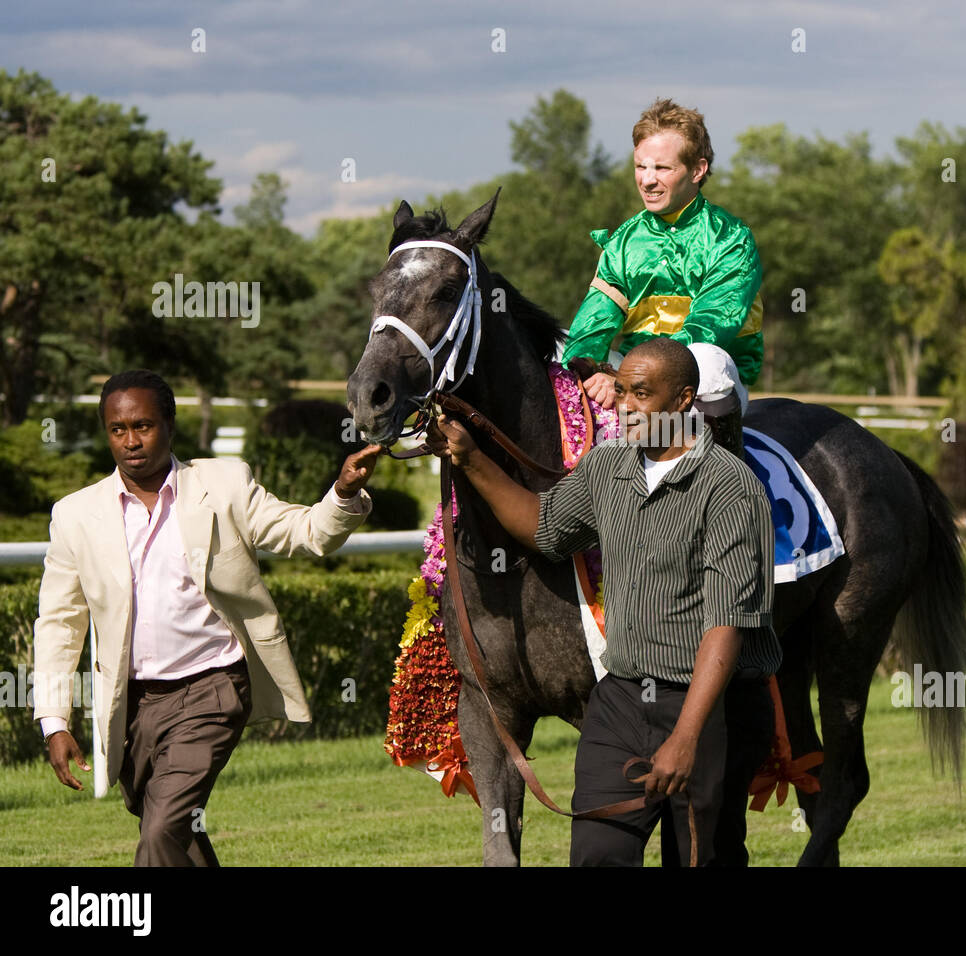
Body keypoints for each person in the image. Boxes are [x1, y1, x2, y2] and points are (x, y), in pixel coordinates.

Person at [432, 337, 780, 866]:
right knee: (597, 856)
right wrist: (473, 459)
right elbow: (543, 527)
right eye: (620, 391)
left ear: (684, 400)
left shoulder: (731, 490)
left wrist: (686, 737)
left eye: (640, 393)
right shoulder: (606, 468)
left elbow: (726, 625)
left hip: (709, 705)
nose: (624, 405)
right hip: (619, 703)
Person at [33, 369, 382, 866]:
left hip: (212, 690)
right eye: (118, 429)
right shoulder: (74, 515)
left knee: (160, 832)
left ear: (170, 425)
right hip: (131, 707)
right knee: (177, 833)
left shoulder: (223, 484)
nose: (130, 441)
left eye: (144, 426)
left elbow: (306, 533)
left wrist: (343, 494)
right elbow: (58, 624)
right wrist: (54, 721)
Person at [562, 98, 763, 457]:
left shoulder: (730, 238)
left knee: (708, 362)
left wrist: (632, 380)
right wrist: (593, 369)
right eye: (641, 166)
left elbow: (710, 326)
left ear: (698, 169)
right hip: (633, 372)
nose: (648, 180)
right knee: (557, 347)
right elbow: (593, 322)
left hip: (704, 376)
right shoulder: (623, 241)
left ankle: (728, 484)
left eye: (662, 168)